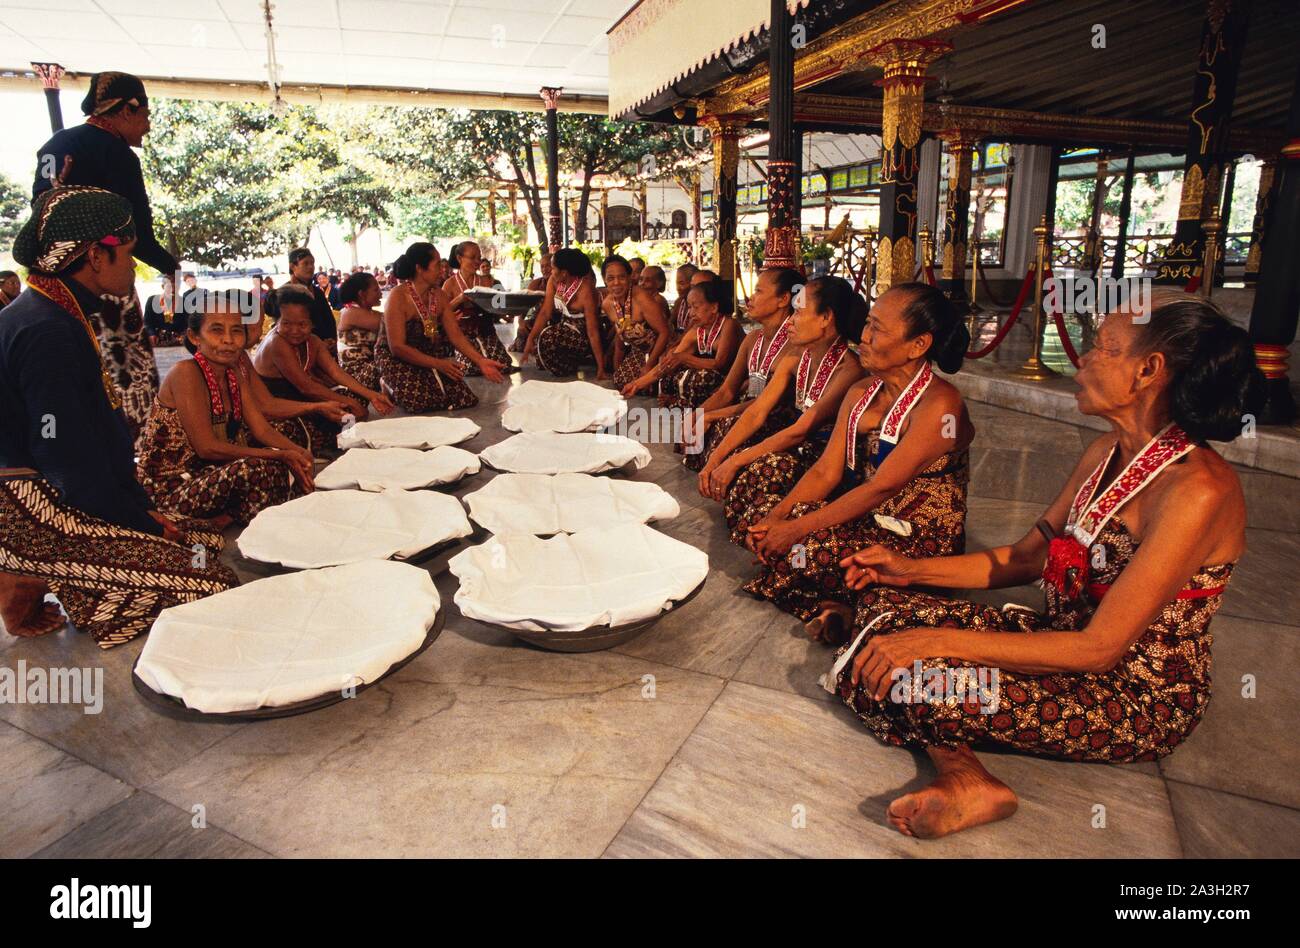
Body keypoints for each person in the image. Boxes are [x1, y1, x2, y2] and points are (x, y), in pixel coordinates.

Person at [827, 291, 1262, 839]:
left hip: (1130, 691)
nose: (1084, 359)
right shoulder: (1106, 452)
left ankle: (965, 776)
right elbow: (1028, 557)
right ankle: (964, 772)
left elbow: (1100, 649)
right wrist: (908, 570)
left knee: (919, 671)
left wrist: (934, 641)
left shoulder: (1198, 489)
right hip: (1063, 639)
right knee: (886, 616)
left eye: (1104, 348)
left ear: (1148, 371)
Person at [0, 186, 234, 648]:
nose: (132, 266)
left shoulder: (59, 311)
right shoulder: (46, 330)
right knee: (212, 583)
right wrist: (142, 523)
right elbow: (67, 463)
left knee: (205, 546)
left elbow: (93, 441)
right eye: (126, 255)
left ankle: (78, 576)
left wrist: (138, 507)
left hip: (65, 489)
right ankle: (25, 574)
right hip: (30, 506)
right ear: (94, 255)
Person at [738, 283, 974, 633]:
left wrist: (794, 530)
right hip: (869, 518)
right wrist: (778, 518)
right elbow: (825, 471)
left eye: (877, 329)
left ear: (918, 345)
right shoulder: (861, 391)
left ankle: (854, 604)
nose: (863, 336)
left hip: (917, 539)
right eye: (867, 324)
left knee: (809, 542)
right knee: (769, 515)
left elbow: (881, 487)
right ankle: (845, 606)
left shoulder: (941, 405)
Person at [137, 293, 314, 527]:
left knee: (287, 434)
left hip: (209, 473)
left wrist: (299, 453)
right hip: (171, 487)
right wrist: (280, 454)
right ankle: (231, 516)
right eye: (217, 330)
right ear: (194, 337)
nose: (229, 340)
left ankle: (232, 514)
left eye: (237, 331)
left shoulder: (232, 374)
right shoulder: (185, 373)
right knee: (259, 467)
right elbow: (207, 447)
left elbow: (261, 428)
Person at [712, 276, 867, 539]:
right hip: (798, 447)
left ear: (825, 317)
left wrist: (736, 460)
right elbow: (757, 410)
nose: (791, 321)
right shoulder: (797, 357)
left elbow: (800, 430)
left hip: (826, 461)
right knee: (741, 453)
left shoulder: (850, 370)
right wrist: (718, 458)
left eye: (798, 312)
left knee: (762, 468)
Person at [682, 267, 799, 472]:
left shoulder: (795, 346)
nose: (750, 297)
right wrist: (697, 415)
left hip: (771, 417)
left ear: (783, 299)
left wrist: (711, 416)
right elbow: (727, 391)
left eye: (759, 291)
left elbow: (763, 406)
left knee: (724, 425)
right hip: (747, 406)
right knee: (697, 422)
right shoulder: (753, 338)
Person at [252, 284, 394, 451]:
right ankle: (329, 441)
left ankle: (337, 439)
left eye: (302, 324)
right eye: (287, 324)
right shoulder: (277, 343)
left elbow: (336, 372)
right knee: (343, 408)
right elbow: (306, 387)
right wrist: (348, 402)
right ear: (277, 322)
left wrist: (372, 396)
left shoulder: (313, 341)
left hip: (306, 402)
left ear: (312, 323)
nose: (295, 330)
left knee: (353, 402)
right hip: (280, 411)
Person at [375, 242, 503, 412]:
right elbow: (397, 347)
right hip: (397, 358)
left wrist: (481, 361)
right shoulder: (398, 296)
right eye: (437, 265)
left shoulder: (439, 295)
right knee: (419, 402)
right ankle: (386, 382)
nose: (442, 270)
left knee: (463, 398)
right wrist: (439, 364)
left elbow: (456, 335)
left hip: (427, 355)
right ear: (420, 268)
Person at [623, 279, 742, 407]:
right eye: (689, 308)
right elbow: (668, 363)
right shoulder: (697, 330)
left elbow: (719, 364)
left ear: (714, 307)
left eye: (696, 307)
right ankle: (681, 401)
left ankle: (681, 402)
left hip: (733, 383)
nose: (691, 313)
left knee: (702, 378)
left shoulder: (729, 324)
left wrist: (684, 358)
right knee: (670, 375)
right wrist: (636, 384)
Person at [522, 248, 608, 379]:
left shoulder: (586, 290)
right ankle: (572, 363)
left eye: (553, 268)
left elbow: (592, 331)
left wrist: (601, 367)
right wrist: (530, 338)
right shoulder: (553, 280)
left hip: (584, 335)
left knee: (549, 338)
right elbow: (545, 312)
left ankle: (585, 358)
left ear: (564, 273)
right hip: (565, 328)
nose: (551, 271)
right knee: (542, 358)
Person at [443, 240, 514, 375]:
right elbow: (444, 311)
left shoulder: (487, 281)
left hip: (486, 331)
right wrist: (460, 299)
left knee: (502, 366)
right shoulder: (449, 283)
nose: (477, 262)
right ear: (459, 258)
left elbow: (499, 306)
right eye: (472, 257)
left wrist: (508, 311)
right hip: (463, 335)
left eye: (479, 258)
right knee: (469, 369)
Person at [602, 255, 671, 391]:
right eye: (611, 278)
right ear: (605, 280)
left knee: (655, 385)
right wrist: (617, 366)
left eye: (621, 277)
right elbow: (620, 337)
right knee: (620, 380)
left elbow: (665, 332)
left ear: (629, 278)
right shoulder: (608, 304)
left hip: (664, 348)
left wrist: (648, 366)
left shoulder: (642, 298)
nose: (616, 283)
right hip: (639, 352)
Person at [267, 248, 338, 357]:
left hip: (325, 350)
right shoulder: (285, 294)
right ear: (292, 266)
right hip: (297, 353)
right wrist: (317, 346)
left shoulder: (318, 292)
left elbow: (330, 322)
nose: (311, 267)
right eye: (305, 263)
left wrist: (331, 342)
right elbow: (284, 330)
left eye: (312, 263)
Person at [336, 271, 384, 390]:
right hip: (356, 374)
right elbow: (393, 323)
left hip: (369, 367)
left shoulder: (369, 313)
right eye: (376, 290)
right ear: (362, 294)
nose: (381, 293)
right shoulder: (350, 313)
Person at [514, 252, 554, 353]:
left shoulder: (561, 283)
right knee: (520, 346)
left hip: (553, 322)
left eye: (548, 266)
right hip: (535, 321)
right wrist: (521, 322)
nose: (545, 269)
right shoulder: (536, 283)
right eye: (542, 266)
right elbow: (524, 305)